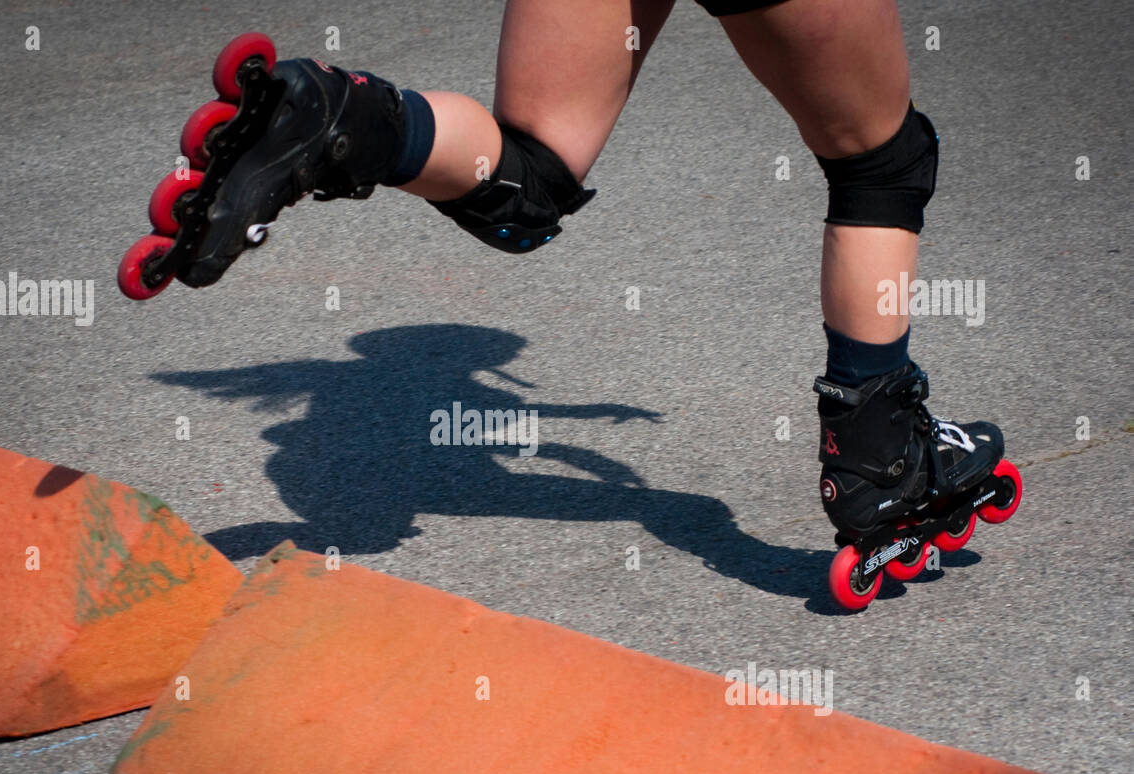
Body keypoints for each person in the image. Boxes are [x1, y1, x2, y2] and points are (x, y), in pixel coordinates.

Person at [119, 0, 1022, 609]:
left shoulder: (314, 402)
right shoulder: (373, 392)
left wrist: (578, 420)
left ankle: (336, 118)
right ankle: (881, 460)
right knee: (881, 159)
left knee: (528, 177)